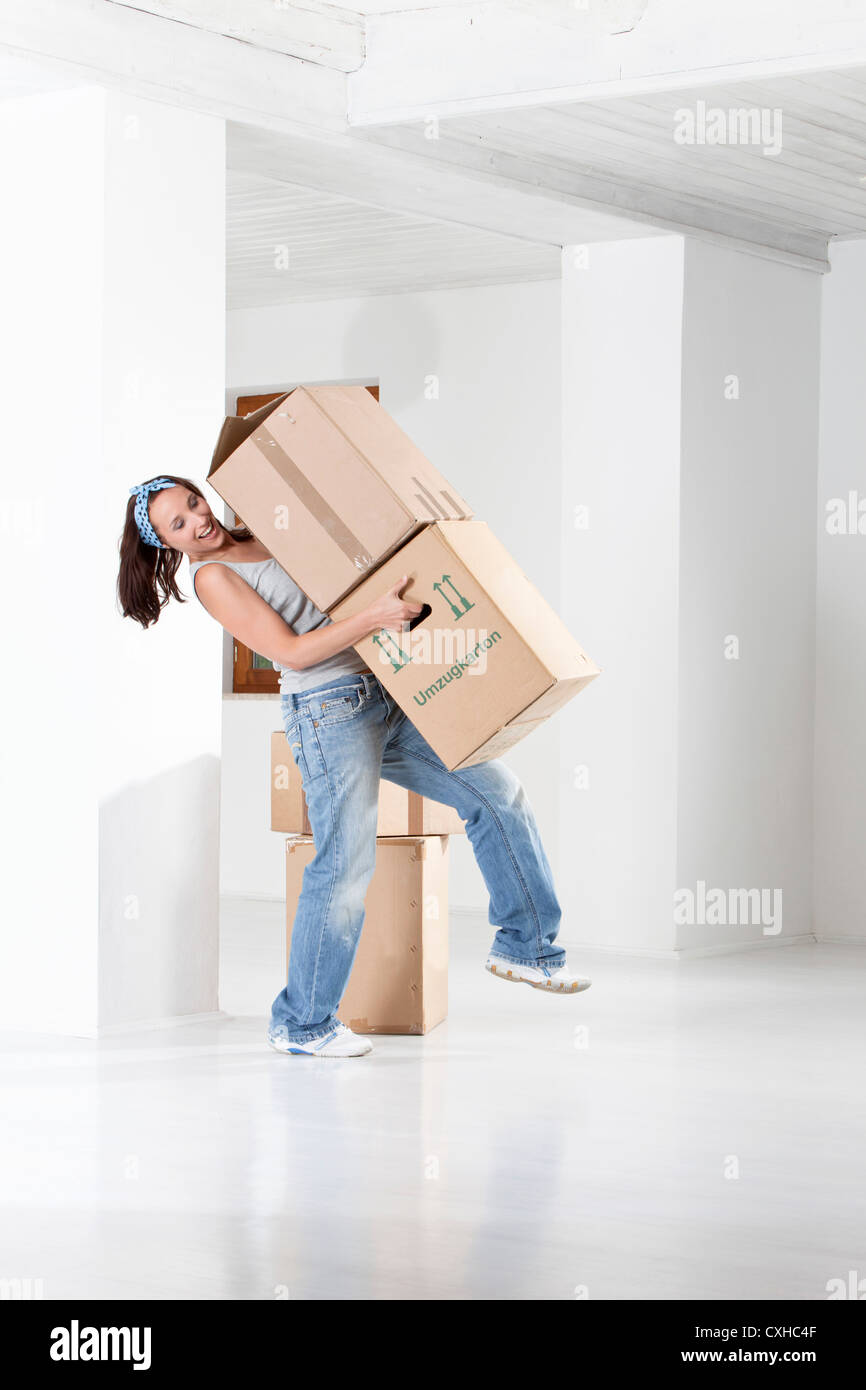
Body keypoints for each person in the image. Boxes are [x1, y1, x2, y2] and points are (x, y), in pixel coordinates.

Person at [118, 476, 591, 1058]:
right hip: (326, 712)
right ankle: (301, 1024)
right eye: (179, 524)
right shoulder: (213, 578)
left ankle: (525, 945)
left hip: (385, 691)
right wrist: (375, 618)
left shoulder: (261, 532)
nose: (198, 520)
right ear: (167, 543)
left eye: (193, 503)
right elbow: (289, 652)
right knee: (344, 864)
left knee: (497, 790)